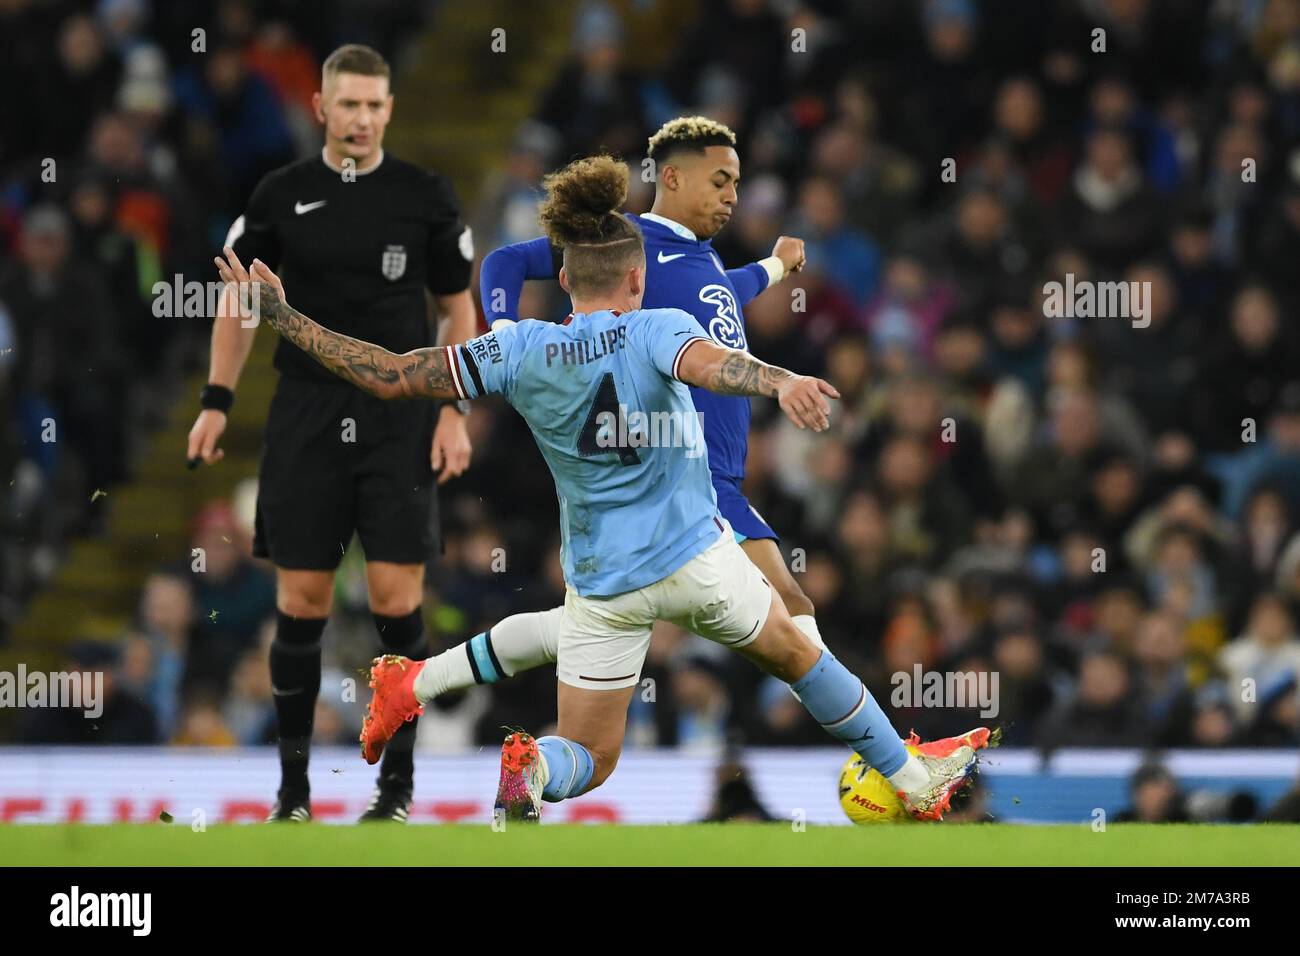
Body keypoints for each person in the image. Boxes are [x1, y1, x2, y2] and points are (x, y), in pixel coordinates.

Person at [213, 155, 992, 821]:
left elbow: (388, 374)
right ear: (636, 276)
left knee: (591, 752)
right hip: (696, 558)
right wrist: (781, 380)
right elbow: (716, 366)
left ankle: (533, 769)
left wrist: (284, 317)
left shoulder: (516, 348)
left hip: (604, 581)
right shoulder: (655, 326)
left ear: (561, 277)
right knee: (797, 651)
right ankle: (912, 776)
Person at [417, 115, 829, 719]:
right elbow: (504, 262)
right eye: (719, 180)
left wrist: (775, 266)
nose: (731, 196)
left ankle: (419, 682)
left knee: (579, 629)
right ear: (672, 177)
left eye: (736, 183)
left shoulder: (705, 260)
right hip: (691, 481)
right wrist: (505, 336)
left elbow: (727, 293)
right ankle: (888, 761)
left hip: (705, 482)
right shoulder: (621, 242)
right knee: (793, 609)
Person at [185, 44, 477, 822]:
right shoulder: (282, 193)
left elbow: (458, 309)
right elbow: (239, 300)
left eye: (375, 106)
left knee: (394, 599)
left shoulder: (425, 196)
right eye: (348, 104)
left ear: (390, 110)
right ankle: (292, 794)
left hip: (400, 411)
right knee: (304, 599)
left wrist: (454, 407)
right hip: (308, 408)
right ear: (320, 107)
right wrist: (217, 398)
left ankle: (398, 789)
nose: (362, 119)